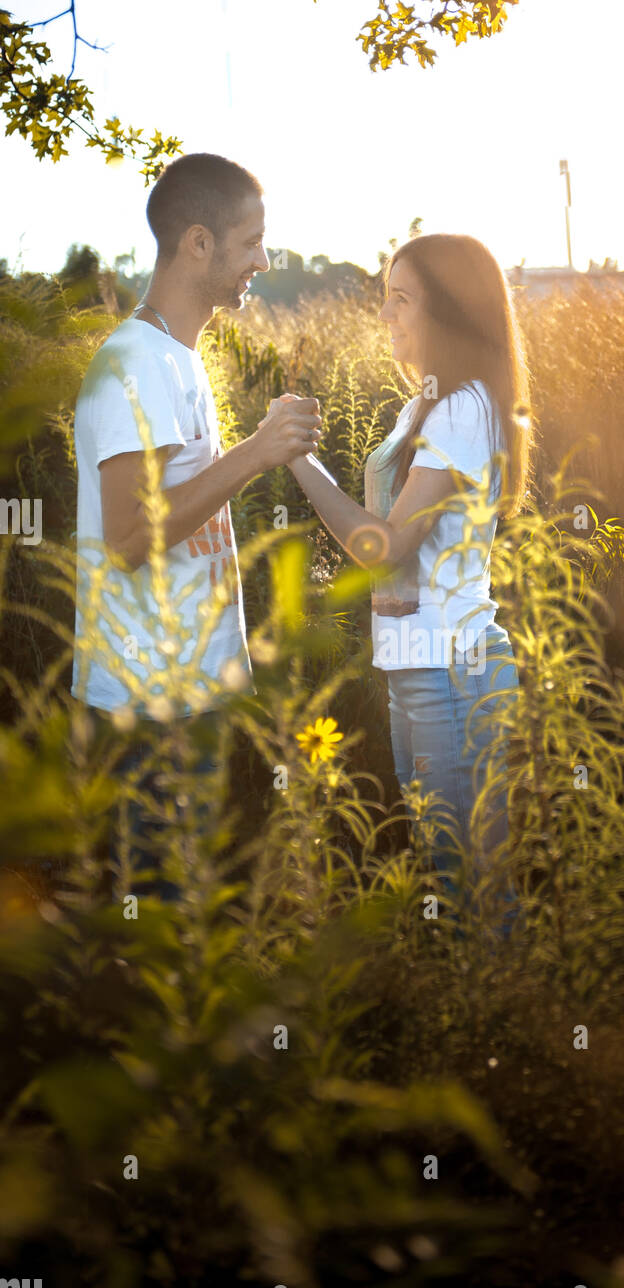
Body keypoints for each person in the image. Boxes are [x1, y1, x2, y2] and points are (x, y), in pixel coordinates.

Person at [264, 233, 533, 936]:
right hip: (415, 666)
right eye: (385, 297)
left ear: (448, 311)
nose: (384, 313)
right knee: (448, 870)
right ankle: (477, 997)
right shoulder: (421, 408)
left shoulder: (464, 408)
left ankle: (508, 998)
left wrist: (298, 461)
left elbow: (384, 548)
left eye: (401, 299)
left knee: (475, 883)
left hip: (454, 667)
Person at [71, 152, 321, 897]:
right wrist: (255, 453)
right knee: (158, 923)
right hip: (149, 704)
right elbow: (126, 539)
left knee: (185, 920)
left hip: (185, 691)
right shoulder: (137, 362)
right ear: (199, 244)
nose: (263, 261)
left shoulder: (175, 356)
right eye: (252, 243)